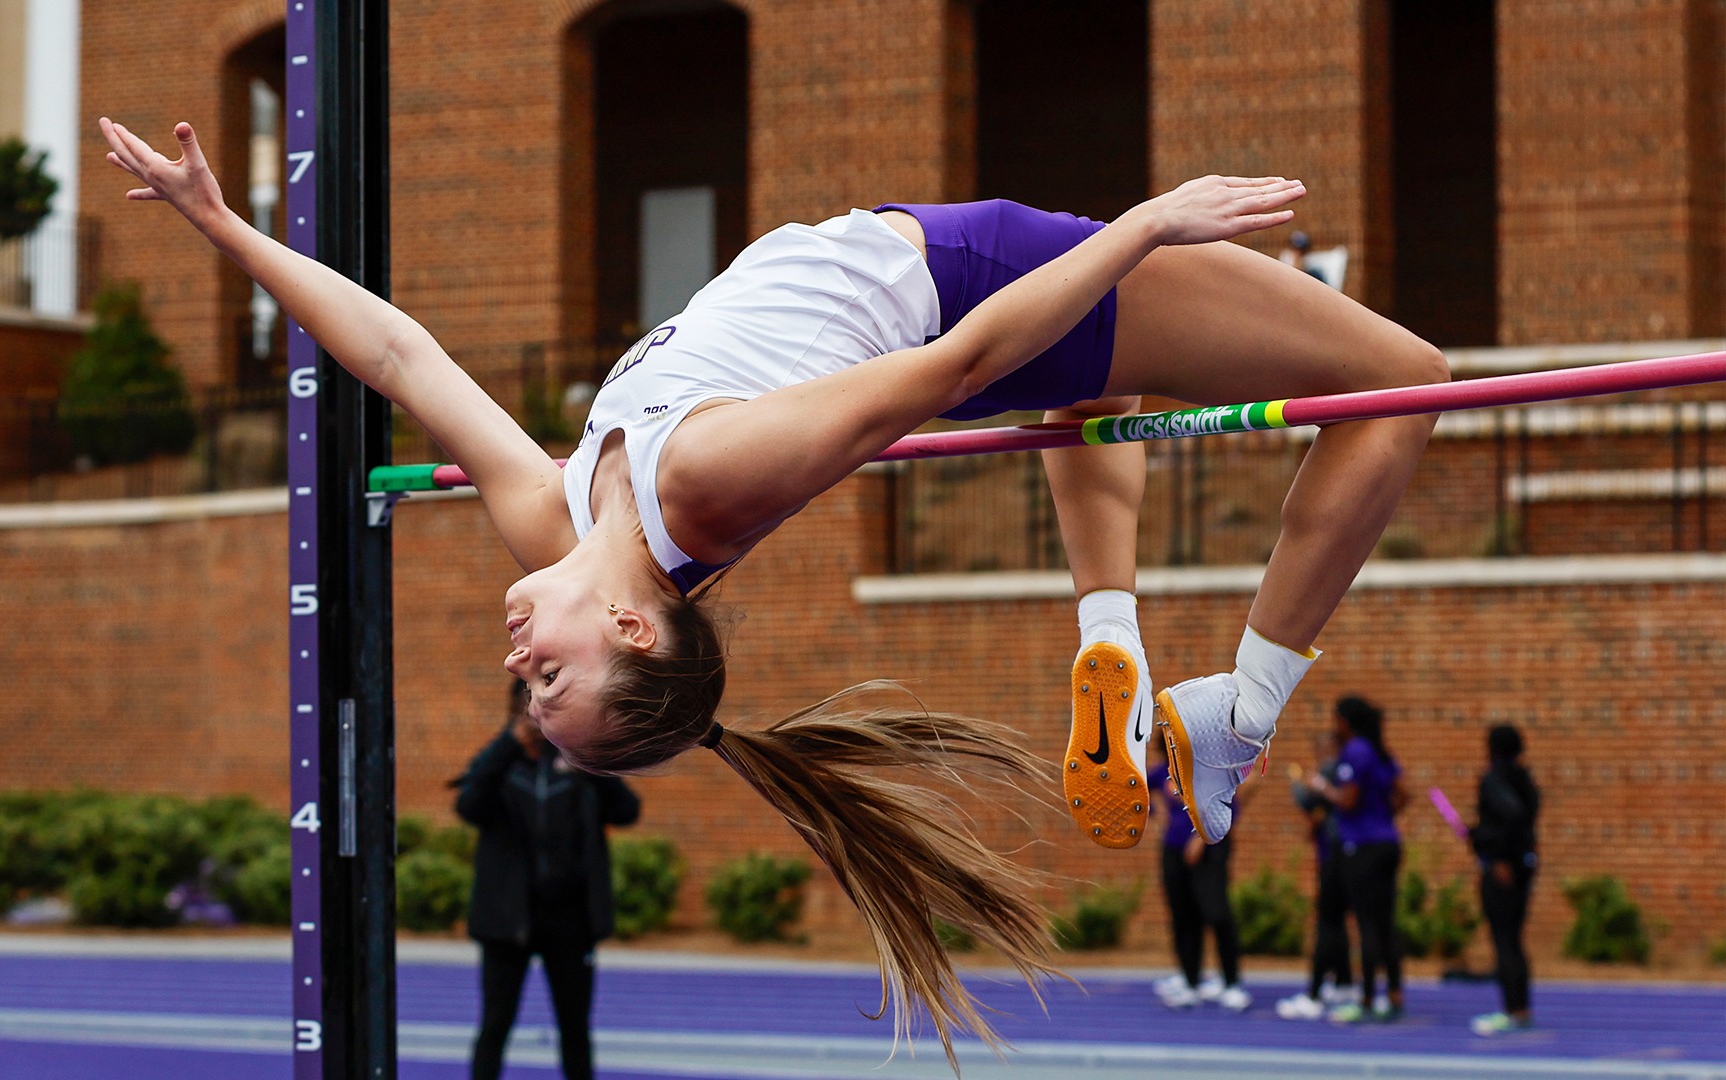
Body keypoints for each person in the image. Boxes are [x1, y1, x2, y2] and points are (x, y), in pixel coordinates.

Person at [98, 116, 1446, 1058]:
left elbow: (397, 352)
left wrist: (225, 226)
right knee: (1404, 385)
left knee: (1095, 394)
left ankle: (1113, 636)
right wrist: (1148, 224)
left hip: (979, 302)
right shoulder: (706, 483)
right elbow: (962, 362)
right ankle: (1244, 711)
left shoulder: (550, 517)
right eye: (552, 681)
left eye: (530, 691)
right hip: (971, 276)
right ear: (632, 627)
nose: (519, 664)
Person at [453, 678, 641, 1080]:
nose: (539, 716)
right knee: (495, 1023)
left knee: (574, 1029)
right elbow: (469, 805)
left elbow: (626, 811)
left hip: (570, 921)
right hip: (508, 922)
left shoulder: (580, 760)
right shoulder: (500, 762)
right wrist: (508, 744)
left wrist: (587, 750)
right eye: (531, 705)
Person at [1310, 695, 1407, 1023]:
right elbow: (1404, 793)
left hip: (1362, 846)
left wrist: (1323, 787)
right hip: (1387, 842)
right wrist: (1383, 816)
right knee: (1385, 922)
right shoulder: (1380, 750)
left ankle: (1366, 999)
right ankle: (1393, 993)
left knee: (1366, 924)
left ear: (1346, 722)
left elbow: (1348, 800)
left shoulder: (1356, 751)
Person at [1148, 741, 1249, 1011]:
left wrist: (1201, 839)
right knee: (1183, 915)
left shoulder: (1207, 769)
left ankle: (1231, 982)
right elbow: (1136, 790)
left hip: (1209, 849)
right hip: (1173, 849)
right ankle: (1190, 979)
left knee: (1217, 913)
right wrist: (1155, 814)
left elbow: (1230, 805)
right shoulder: (1163, 772)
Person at [1275, 735, 1356, 1020]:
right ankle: (1344, 981)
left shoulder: (1334, 771)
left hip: (1337, 856)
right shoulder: (1339, 774)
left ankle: (1315, 993)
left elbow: (1308, 800)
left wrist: (1299, 785)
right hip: (1337, 854)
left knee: (1328, 923)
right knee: (1336, 922)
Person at [1469, 723, 1540, 1036]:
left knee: (1505, 940)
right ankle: (1519, 1009)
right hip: (1524, 863)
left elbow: (1511, 816)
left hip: (1504, 866)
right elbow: (1524, 819)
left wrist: (1496, 855)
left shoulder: (1495, 778)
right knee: (1513, 938)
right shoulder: (1525, 777)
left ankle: (1513, 1011)